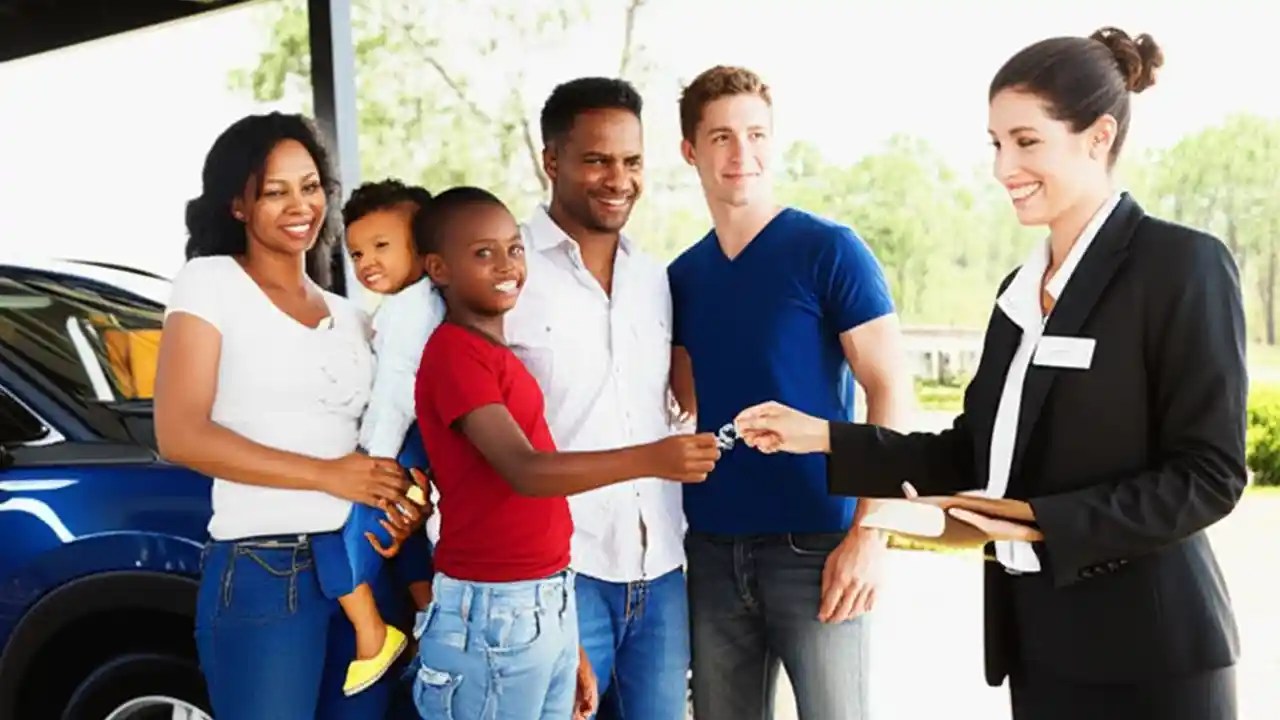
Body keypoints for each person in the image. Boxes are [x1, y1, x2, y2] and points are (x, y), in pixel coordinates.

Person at [734, 27, 1245, 720]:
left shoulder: (1180, 266)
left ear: (1098, 137)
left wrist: (1043, 523)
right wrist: (824, 437)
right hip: (1038, 645)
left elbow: (1209, 475)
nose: (1004, 167)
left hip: (1153, 652)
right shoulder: (1018, 291)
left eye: (1027, 142)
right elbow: (971, 452)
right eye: (996, 143)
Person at [407, 186, 719, 720]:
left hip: (542, 597)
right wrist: (651, 459)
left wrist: (563, 634)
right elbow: (525, 471)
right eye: (483, 253)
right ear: (438, 268)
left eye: (514, 248)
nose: (507, 265)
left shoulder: (494, 353)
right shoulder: (454, 354)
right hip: (491, 608)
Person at [154, 112, 426, 719]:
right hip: (263, 567)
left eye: (309, 186)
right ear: (237, 205)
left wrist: (403, 502)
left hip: (362, 567)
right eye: (275, 191)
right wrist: (328, 474)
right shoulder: (210, 283)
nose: (299, 204)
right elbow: (179, 434)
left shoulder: (353, 315)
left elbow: (389, 437)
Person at [668, 65, 915, 720]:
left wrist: (871, 535)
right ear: (690, 150)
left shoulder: (829, 251)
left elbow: (891, 391)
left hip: (819, 548)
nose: (740, 154)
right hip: (713, 549)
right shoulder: (682, 277)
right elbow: (680, 401)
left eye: (756, 134)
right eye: (721, 137)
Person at [504, 77, 690, 720]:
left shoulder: (655, 278)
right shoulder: (504, 271)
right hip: (556, 573)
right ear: (551, 160)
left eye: (632, 161)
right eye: (597, 160)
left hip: (660, 569)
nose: (619, 179)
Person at [335, 178, 445, 694]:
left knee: (336, 535)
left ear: (423, 250)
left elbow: (399, 392)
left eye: (382, 246)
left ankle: (371, 632)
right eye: (356, 251)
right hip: (419, 444)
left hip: (404, 441)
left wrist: (369, 459)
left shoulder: (411, 311)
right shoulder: (413, 305)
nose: (366, 262)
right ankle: (425, 617)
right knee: (407, 540)